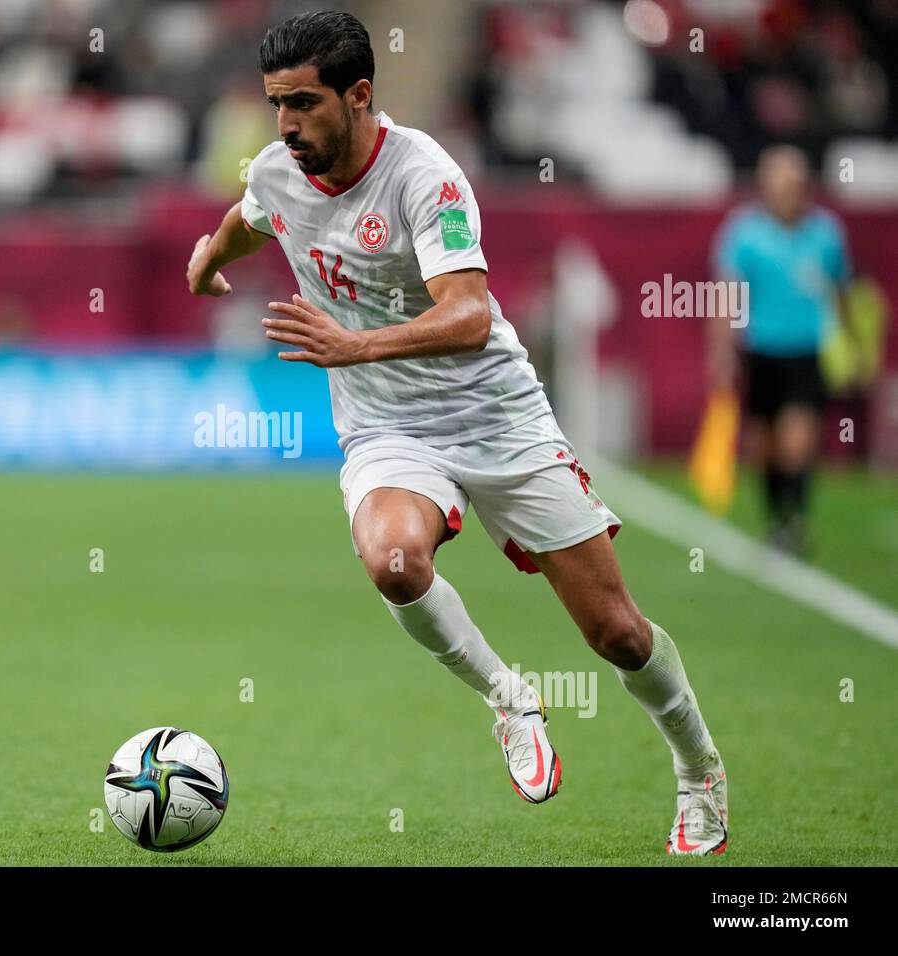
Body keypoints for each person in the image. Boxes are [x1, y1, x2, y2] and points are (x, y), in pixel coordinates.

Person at [186, 11, 727, 855]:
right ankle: (509, 697)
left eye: (303, 104)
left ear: (359, 95)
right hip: (387, 425)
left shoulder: (424, 177)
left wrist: (351, 344)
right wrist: (209, 259)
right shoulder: (279, 165)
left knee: (616, 633)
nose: (286, 125)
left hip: (495, 416)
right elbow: (253, 212)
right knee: (394, 564)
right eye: (275, 105)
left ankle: (697, 765)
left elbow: (470, 315)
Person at [709, 145, 853, 554]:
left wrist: (851, 341)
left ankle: (797, 518)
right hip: (761, 351)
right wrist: (722, 348)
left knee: (798, 439)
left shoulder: (826, 233)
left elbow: (841, 290)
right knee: (764, 443)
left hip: (806, 350)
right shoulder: (745, 233)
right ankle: (777, 519)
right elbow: (726, 294)